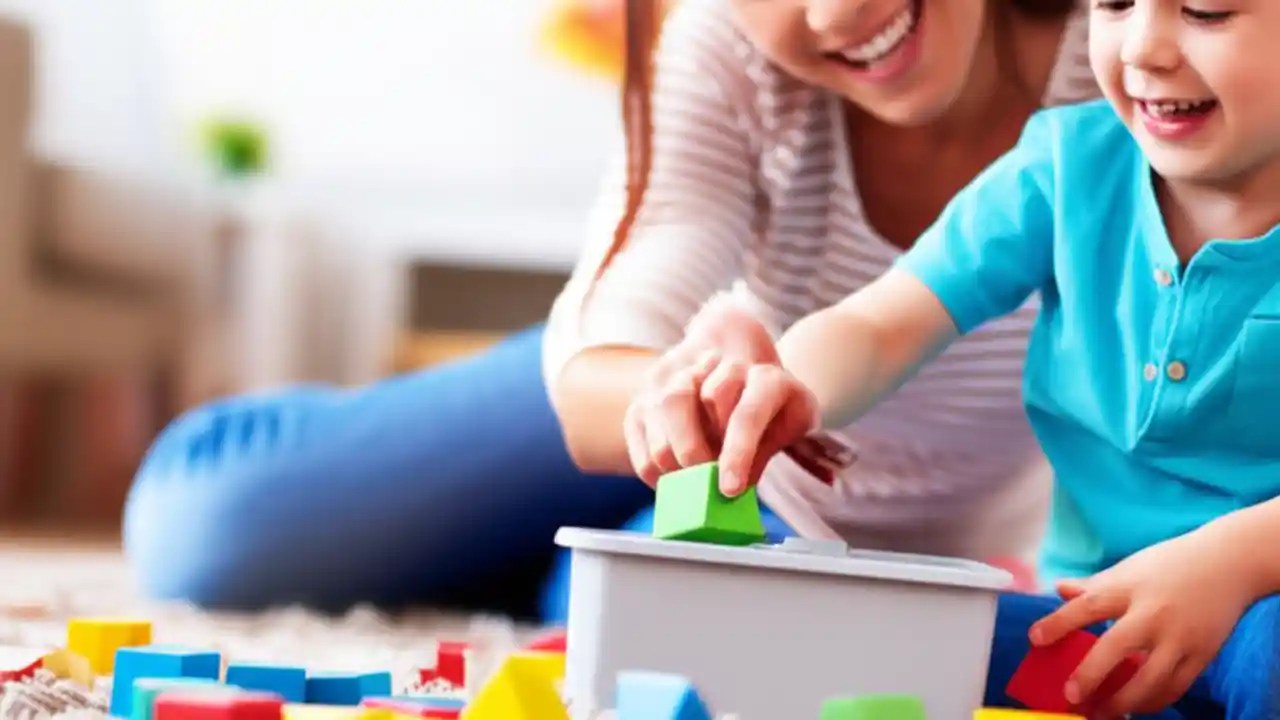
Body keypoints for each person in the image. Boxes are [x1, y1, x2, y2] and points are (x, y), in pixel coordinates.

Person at [123, 0, 1094, 621]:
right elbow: (600, 371)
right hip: (647, 397)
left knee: (624, 620)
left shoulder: (1136, 58)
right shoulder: (728, 53)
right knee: (209, 528)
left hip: (810, 523)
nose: (837, 12)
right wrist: (685, 384)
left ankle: (532, 543)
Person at [638, 0, 1280, 714]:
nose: (1144, 49)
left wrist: (1240, 562)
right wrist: (790, 382)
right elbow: (884, 322)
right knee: (859, 636)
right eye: (1115, 5)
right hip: (1083, 613)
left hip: (1262, 608)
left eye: (1206, 10)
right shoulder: (1066, 167)